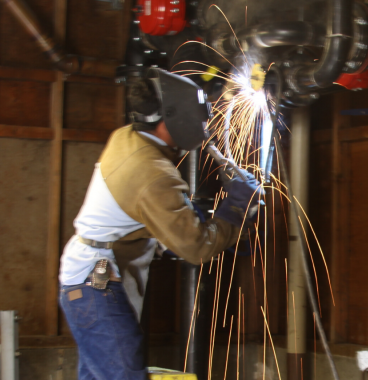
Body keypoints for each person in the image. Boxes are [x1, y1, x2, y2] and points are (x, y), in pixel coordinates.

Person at [57, 68, 262, 380]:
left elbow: (148, 207)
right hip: (93, 286)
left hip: (85, 275)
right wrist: (235, 209)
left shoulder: (128, 137)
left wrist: (189, 212)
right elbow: (198, 247)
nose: (201, 126)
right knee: (123, 375)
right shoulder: (152, 174)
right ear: (172, 118)